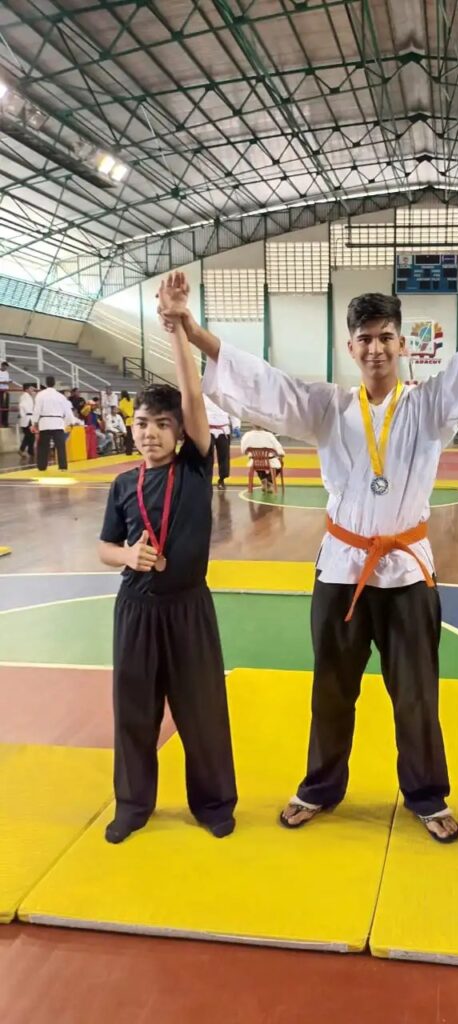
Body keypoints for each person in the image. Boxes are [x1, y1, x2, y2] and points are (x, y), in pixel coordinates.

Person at [157, 261, 458, 845]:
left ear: (402, 345)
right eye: (365, 338)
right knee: (332, 690)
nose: (376, 348)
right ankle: (320, 786)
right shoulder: (328, 407)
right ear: (350, 347)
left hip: (408, 574)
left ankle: (426, 794)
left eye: (386, 337)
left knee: (416, 694)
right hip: (341, 569)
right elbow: (264, 383)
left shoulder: (430, 406)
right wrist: (190, 327)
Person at [97, 278, 237, 845]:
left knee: (201, 710)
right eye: (142, 424)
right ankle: (133, 804)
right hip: (135, 609)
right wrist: (128, 554)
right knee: (134, 711)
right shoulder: (122, 484)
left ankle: (213, 803)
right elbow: (104, 548)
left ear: (180, 433)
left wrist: (177, 327)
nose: (151, 434)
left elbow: (193, 395)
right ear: (131, 431)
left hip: (187, 609)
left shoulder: (196, 468)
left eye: (162, 424)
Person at [32, 376, 76, 470]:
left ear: (46, 383)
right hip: (57, 423)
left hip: (45, 423)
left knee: (43, 445)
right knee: (60, 446)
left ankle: (42, 466)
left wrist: (34, 422)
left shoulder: (40, 395)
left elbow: (37, 410)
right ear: (54, 383)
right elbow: (67, 411)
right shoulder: (60, 396)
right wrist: (72, 421)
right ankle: (63, 466)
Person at [241, 425, 285, 493]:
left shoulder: (247, 435)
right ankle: (269, 480)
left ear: (252, 425)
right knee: (280, 463)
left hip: (255, 461)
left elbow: (243, 451)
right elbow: (279, 449)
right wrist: (281, 454)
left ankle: (263, 478)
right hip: (270, 461)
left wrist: (253, 453)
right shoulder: (269, 435)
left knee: (257, 461)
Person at [204, 394, 233, 490]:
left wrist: (237, 425)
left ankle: (222, 479)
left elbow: (233, 412)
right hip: (208, 429)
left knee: (224, 456)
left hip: (223, 429)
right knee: (207, 456)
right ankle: (207, 480)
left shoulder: (226, 395)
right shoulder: (203, 395)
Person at [17, 382, 37, 461]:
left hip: (29, 418)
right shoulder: (25, 396)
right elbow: (21, 406)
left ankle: (28, 451)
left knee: (29, 435)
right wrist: (23, 415)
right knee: (30, 435)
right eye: (31, 388)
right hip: (27, 418)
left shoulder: (28, 396)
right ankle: (26, 451)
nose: (33, 390)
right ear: (26, 389)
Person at [119, 390, 135, 455]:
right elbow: (134, 408)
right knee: (136, 436)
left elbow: (122, 410)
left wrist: (125, 416)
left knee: (129, 437)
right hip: (133, 419)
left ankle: (129, 451)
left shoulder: (122, 402)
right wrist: (132, 415)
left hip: (128, 420)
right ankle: (140, 450)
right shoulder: (132, 400)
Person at [0, 361, 11, 427]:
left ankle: (5, 422)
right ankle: (1, 422)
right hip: (0, 390)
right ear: (2, 366)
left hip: (6, 390)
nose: (5, 368)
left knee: (6, 407)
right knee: (1, 406)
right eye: (4, 367)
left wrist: (9, 381)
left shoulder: (7, 372)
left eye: (6, 367)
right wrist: (3, 382)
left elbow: (8, 380)